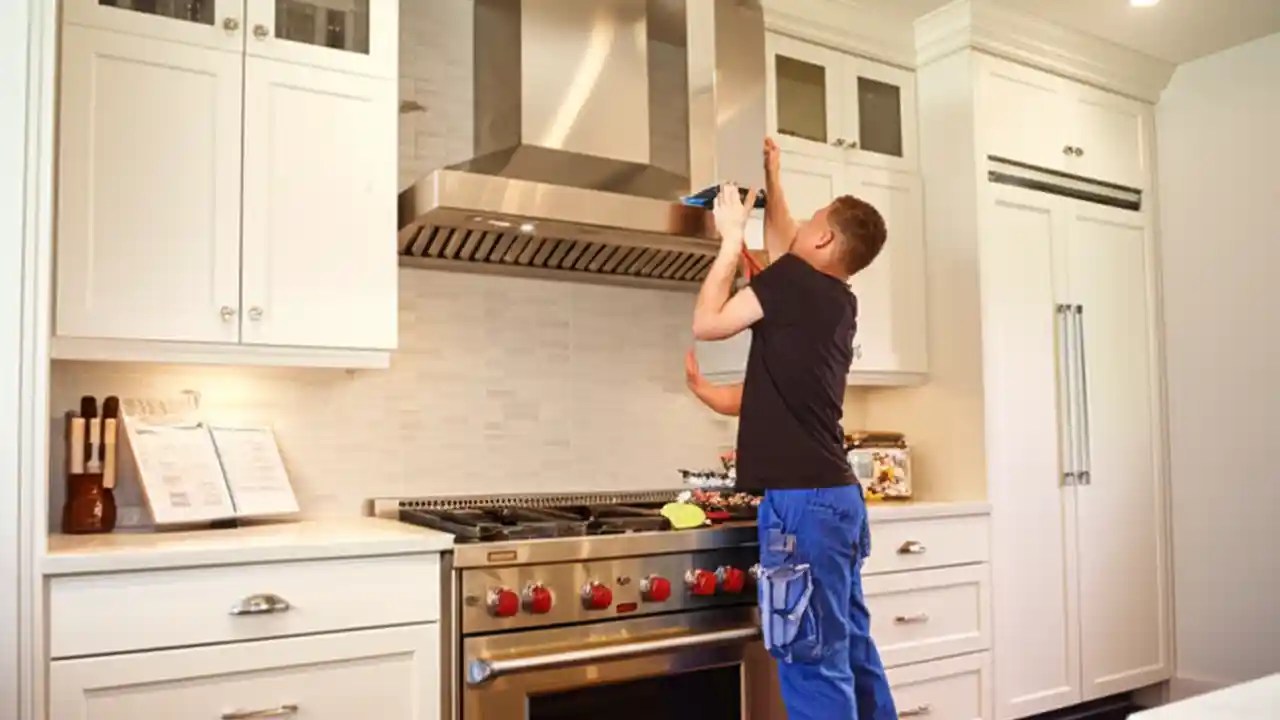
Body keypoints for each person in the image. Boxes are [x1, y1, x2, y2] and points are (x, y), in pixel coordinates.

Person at [685, 137, 896, 720]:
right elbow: (785, 245)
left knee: (811, 660)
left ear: (824, 239)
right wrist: (773, 179)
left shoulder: (792, 286)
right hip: (838, 503)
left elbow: (708, 322)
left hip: (804, 507)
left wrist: (731, 238)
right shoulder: (834, 299)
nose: (796, 225)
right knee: (849, 649)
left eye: (810, 221)